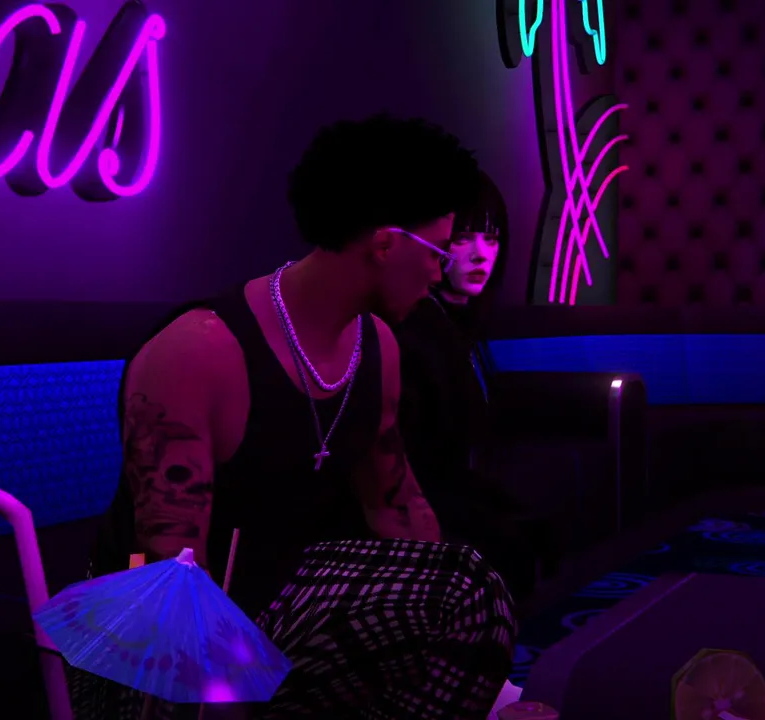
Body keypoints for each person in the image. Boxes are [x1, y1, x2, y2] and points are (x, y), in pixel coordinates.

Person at [76, 116, 517, 720]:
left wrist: (434, 620)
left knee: (467, 589)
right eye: (437, 251)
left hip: (280, 597)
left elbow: (399, 512)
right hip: (147, 633)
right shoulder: (199, 352)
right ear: (385, 245)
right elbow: (168, 574)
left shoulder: (378, 349)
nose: (442, 272)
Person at [394, 170, 540, 601]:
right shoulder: (419, 329)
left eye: (491, 239)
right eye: (463, 239)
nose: (480, 255)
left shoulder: (463, 325)